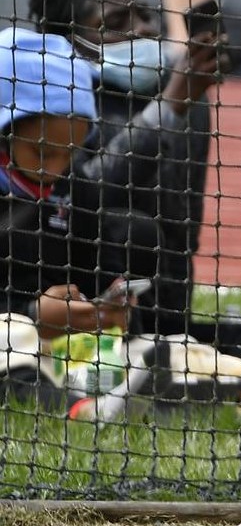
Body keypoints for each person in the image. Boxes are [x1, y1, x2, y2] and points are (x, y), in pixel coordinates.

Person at [30, 0, 230, 340]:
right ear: (72, 41)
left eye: (145, 16)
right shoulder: (55, 102)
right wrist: (169, 108)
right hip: (71, 299)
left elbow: (180, 229)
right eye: (116, 22)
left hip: (161, 300)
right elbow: (81, 198)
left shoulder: (188, 95)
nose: (142, 29)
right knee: (133, 229)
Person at [0, 30, 158, 401]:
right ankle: (75, 406)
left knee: (137, 233)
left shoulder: (73, 186)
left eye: (69, 153)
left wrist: (106, 307)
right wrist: (31, 312)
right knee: (13, 343)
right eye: (41, 152)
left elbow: (95, 258)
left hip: (69, 346)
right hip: (13, 338)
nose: (54, 168)